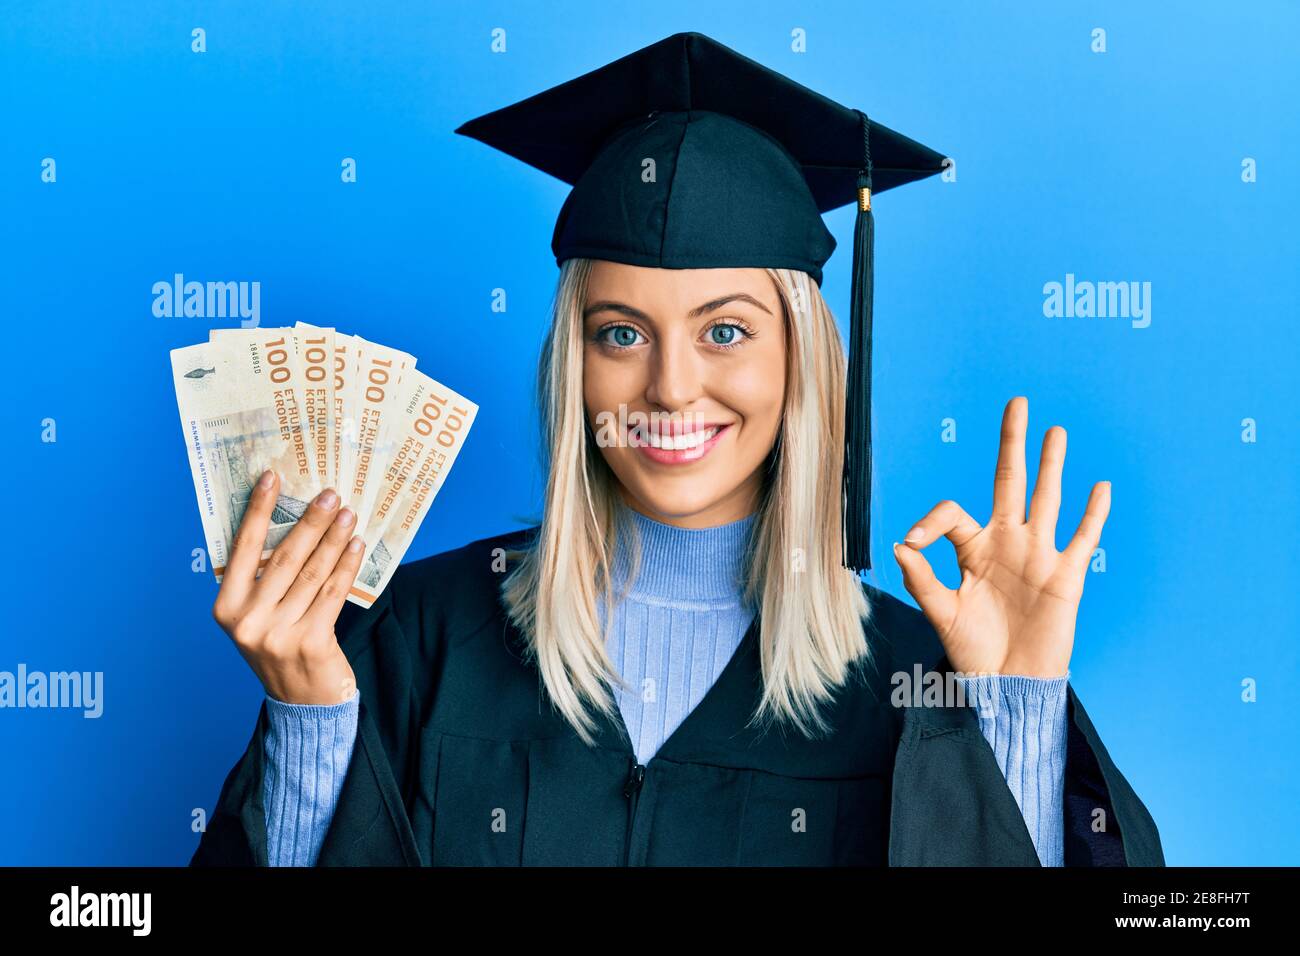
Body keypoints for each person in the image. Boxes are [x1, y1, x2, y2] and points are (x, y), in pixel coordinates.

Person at [190, 32, 1163, 867]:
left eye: (726, 330)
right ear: (573, 363)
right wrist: (309, 712)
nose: (668, 384)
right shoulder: (417, 637)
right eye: (620, 331)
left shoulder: (909, 679)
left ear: (804, 361)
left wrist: (1018, 705)